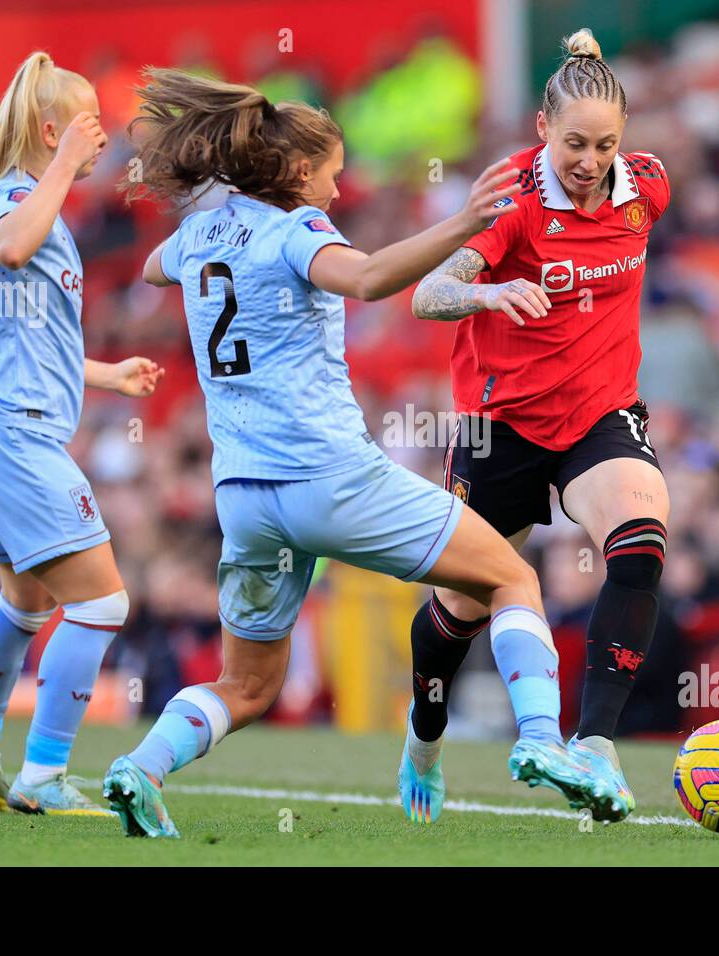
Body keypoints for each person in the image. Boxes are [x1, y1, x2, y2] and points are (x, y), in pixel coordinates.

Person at [101, 69, 619, 838]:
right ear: (300, 173)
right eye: (335, 176)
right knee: (512, 575)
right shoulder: (297, 231)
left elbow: (153, 268)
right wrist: (463, 226)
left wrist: (211, 231)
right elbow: (371, 278)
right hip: (329, 478)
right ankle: (546, 743)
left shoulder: (197, 235)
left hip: (243, 497)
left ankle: (138, 767)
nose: (340, 194)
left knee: (245, 685)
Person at [405, 28, 671, 821]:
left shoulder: (648, 187)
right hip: (501, 425)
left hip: (598, 413)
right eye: (574, 143)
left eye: (605, 143)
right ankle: (424, 732)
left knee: (640, 543)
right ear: (541, 131)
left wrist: (590, 64)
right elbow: (426, 295)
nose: (590, 161)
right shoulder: (516, 206)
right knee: (460, 609)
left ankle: (594, 745)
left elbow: (615, 131)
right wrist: (487, 295)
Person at [0, 52, 165, 816]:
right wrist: (63, 165)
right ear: (49, 128)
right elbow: (9, 247)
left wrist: (106, 376)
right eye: (89, 118)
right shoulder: (17, 198)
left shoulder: (31, 201)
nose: (102, 134)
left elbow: (22, 338)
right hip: (11, 435)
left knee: (27, 604)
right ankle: (43, 774)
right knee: (103, 605)